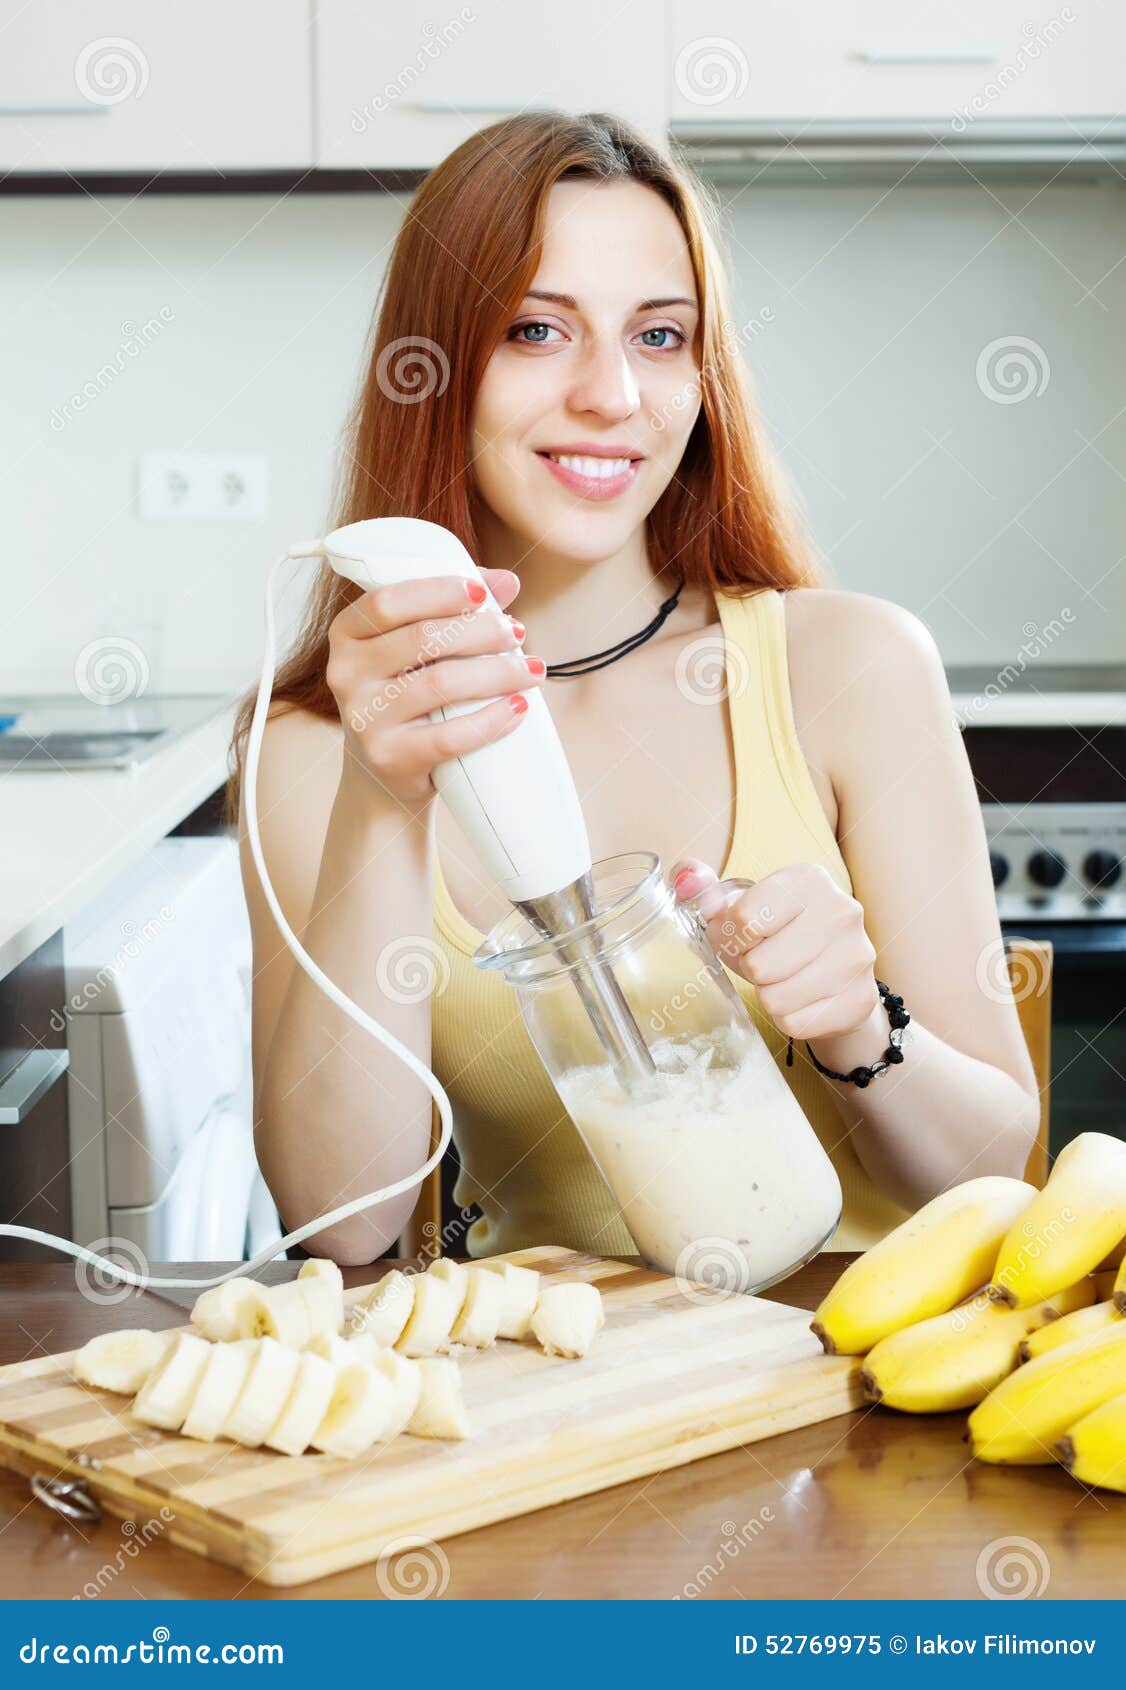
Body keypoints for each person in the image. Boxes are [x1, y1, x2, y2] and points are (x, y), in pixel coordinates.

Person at [227, 111, 1038, 1267]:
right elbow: (344, 1217)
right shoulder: (315, 746)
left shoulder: (852, 669)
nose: (612, 394)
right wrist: (383, 794)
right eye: (536, 328)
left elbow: (993, 1169)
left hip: (859, 1388)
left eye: (659, 336)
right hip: (559, 1403)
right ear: (437, 364)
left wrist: (858, 1018)